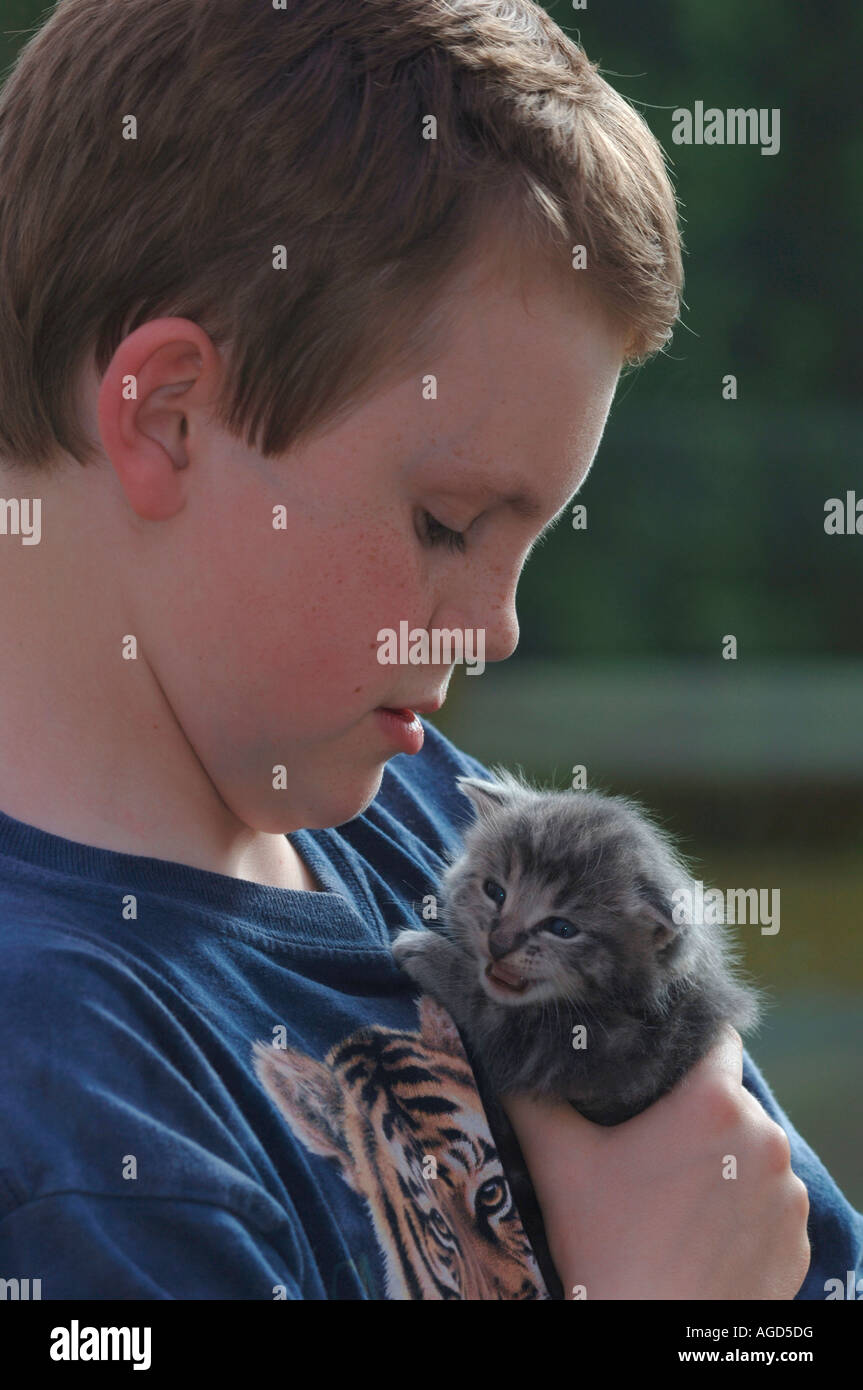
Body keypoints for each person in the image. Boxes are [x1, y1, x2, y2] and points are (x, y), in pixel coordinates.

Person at [0, 0, 857, 1300]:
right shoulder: (64, 1113)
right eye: (448, 523)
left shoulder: (450, 830)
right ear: (167, 415)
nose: (498, 628)